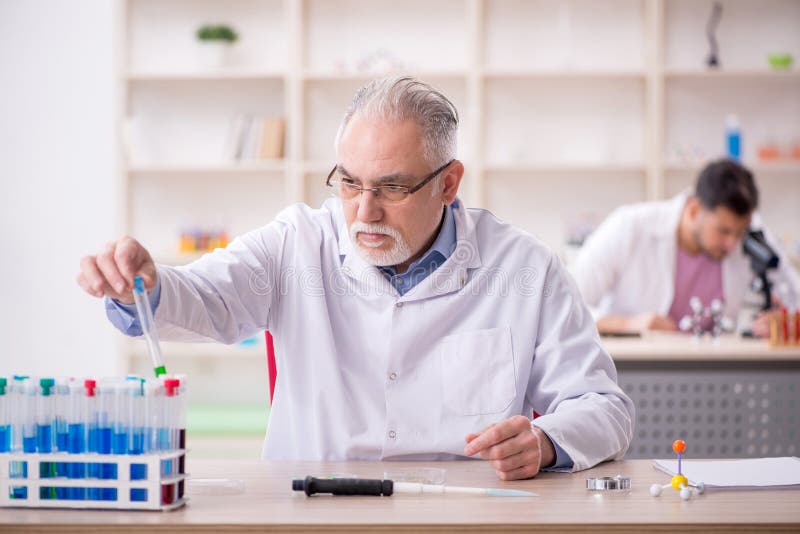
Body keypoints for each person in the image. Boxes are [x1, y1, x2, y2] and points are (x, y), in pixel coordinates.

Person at [77, 76, 633, 479]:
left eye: (391, 187)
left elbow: (605, 407)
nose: (364, 211)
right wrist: (142, 286)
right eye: (348, 182)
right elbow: (205, 296)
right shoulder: (297, 243)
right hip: (311, 510)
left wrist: (545, 440)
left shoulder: (525, 268)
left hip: (461, 515)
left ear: (448, 183)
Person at [570, 159, 800, 336]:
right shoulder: (630, 226)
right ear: (693, 210)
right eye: (723, 231)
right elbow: (567, 308)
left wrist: (781, 322)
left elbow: (794, 297)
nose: (732, 244)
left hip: (715, 373)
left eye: (739, 233)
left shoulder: (752, 236)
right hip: (635, 371)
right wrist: (630, 324)